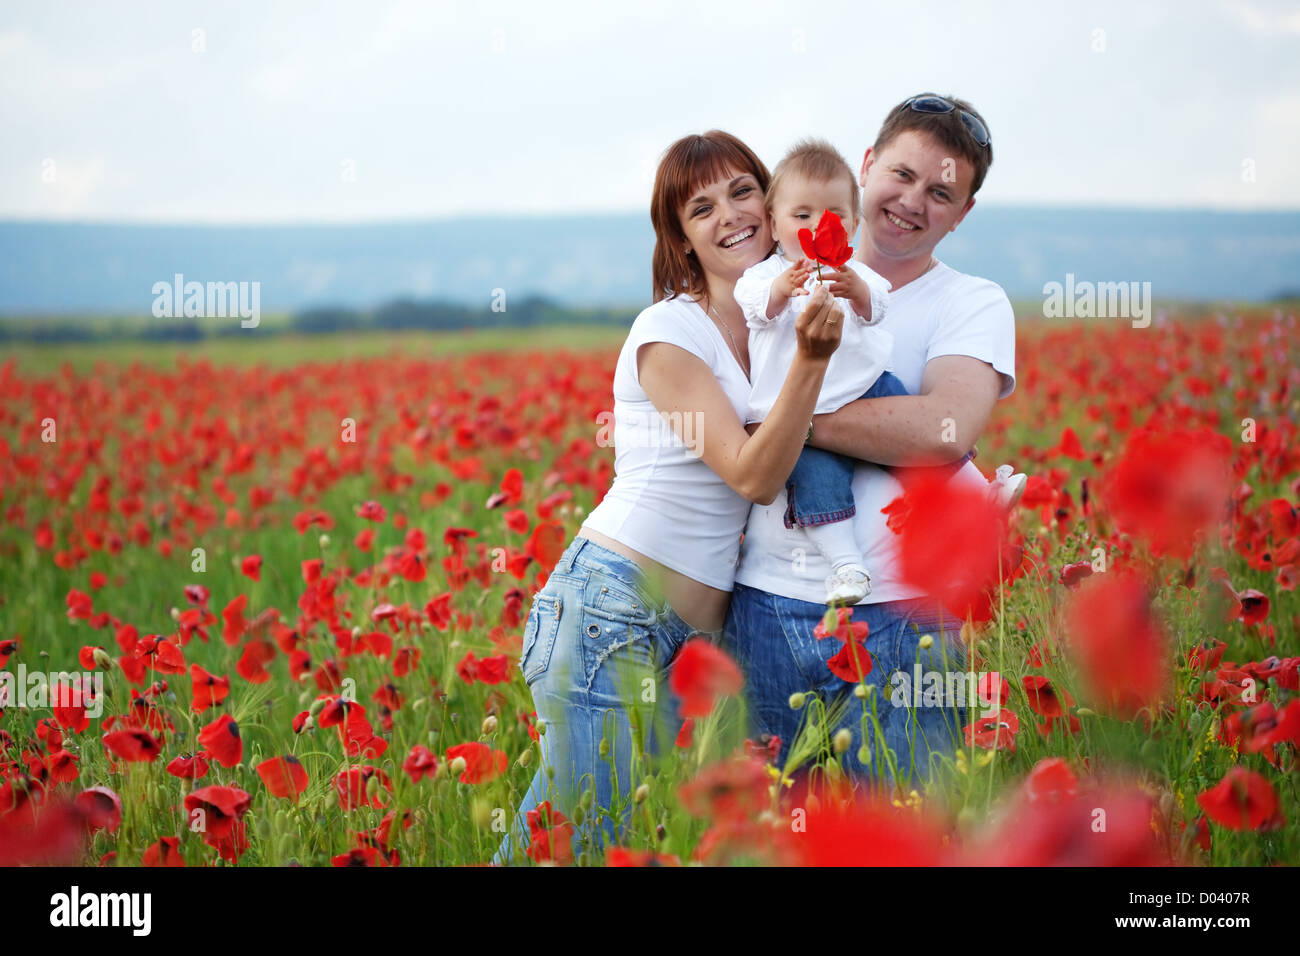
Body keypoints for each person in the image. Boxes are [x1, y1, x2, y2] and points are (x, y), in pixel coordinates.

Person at [495, 130, 845, 863]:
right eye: (702, 208)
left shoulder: (774, 319)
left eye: (743, 192)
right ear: (682, 241)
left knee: (565, 839)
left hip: (687, 641)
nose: (730, 217)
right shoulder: (668, 332)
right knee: (585, 842)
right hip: (609, 611)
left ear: (772, 202)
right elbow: (752, 474)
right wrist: (815, 362)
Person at [725, 93, 1020, 786]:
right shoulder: (771, 273)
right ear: (866, 167)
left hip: (907, 617)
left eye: (942, 191)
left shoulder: (971, 302)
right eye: (903, 175)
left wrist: (781, 427)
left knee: (908, 829)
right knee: (762, 840)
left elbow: (943, 432)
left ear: (964, 211)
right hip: (765, 605)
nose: (914, 201)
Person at [733, 138, 986, 606]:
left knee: (919, 441)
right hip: (797, 409)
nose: (817, 225)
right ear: (773, 223)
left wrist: (857, 290)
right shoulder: (763, 276)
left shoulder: (854, 271)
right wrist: (782, 291)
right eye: (801, 215)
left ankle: (976, 495)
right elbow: (756, 311)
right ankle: (846, 565)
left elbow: (877, 309)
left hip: (867, 388)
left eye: (832, 215)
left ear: (851, 224)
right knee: (817, 485)